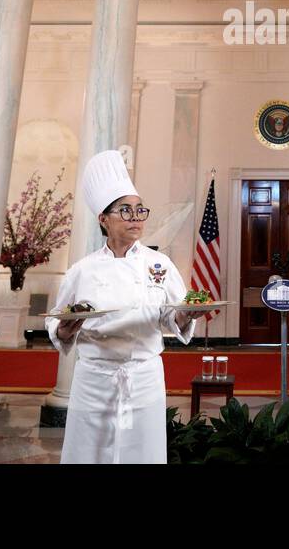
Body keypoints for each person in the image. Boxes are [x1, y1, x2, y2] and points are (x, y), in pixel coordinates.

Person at [45, 150, 208, 463]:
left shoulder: (159, 264)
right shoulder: (82, 269)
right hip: (93, 378)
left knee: (142, 452)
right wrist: (64, 329)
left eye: (140, 210)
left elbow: (173, 313)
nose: (135, 217)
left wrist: (186, 315)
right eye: (125, 210)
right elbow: (56, 319)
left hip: (143, 377)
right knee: (88, 453)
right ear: (103, 220)